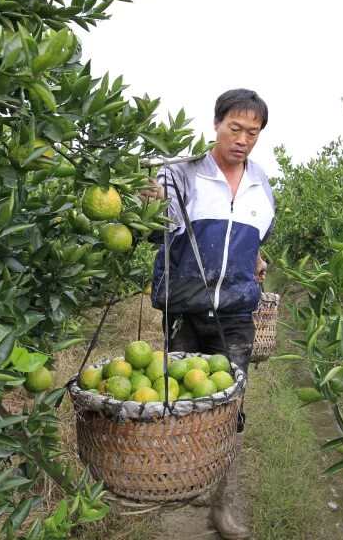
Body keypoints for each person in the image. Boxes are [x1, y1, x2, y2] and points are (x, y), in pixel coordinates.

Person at [141, 88, 274, 540]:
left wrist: (255, 261)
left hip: (235, 313)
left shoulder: (261, 186)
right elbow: (158, 231)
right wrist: (147, 201)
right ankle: (185, 481)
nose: (242, 139)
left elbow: (254, 239)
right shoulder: (182, 176)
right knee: (179, 399)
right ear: (215, 124)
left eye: (251, 133)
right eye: (234, 128)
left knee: (229, 407)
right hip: (183, 306)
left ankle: (222, 502)